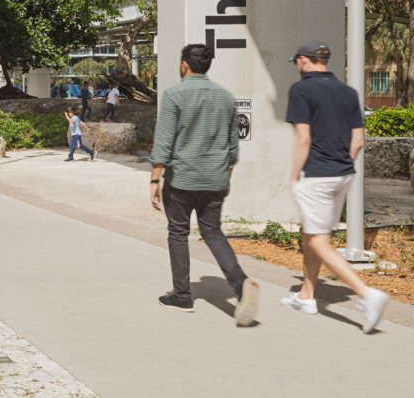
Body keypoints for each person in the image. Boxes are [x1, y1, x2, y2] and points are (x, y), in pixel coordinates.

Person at [281, 40, 389, 332]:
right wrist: (342, 165)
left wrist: (294, 174)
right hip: (343, 172)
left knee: (318, 240)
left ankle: (368, 295)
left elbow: (303, 138)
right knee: (312, 232)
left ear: (304, 60)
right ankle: (306, 295)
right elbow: (358, 142)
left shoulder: (301, 90)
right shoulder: (348, 92)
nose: (297, 67)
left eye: (297, 62)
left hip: (316, 174)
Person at [148, 43, 258, 326]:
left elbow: (163, 141)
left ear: (184, 64)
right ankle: (240, 283)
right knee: (212, 232)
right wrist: (227, 177)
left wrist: (154, 179)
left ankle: (182, 295)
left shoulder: (174, 95)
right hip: (215, 179)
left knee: (178, 233)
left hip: (182, 179)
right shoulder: (225, 97)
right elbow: (233, 145)